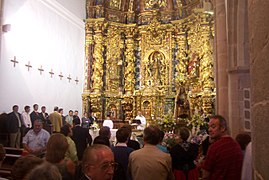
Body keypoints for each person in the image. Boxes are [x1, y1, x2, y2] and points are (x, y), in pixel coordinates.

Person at [201, 115, 243, 180]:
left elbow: (205, 175)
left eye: (213, 127)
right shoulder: (236, 144)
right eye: (209, 127)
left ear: (222, 128)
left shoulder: (214, 147)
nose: (209, 130)